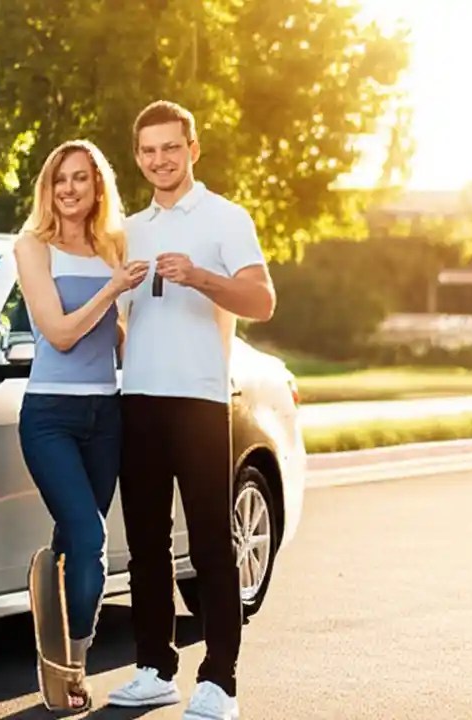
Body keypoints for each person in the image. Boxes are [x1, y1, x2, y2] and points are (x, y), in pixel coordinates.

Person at [105, 101, 276, 720]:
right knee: (146, 545)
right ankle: (154, 667)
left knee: (210, 544)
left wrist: (203, 277)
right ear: (138, 156)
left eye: (170, 148)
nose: (159, 160)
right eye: (148, 151)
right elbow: (121, 324)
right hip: (139, 399)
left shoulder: (227, 219)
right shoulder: (128, 228)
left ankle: (221, 683)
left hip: (202, 400)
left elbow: (262, 300)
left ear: (192, 149)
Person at [13, 139, 148, 710]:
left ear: (98, 189)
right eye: (60, 179)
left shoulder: (110, 247)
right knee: (91, 538)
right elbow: (62, 335)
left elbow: (111, 342)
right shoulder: (32, 246)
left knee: (73, 541)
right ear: (49, 187)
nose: (70, 189)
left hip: (105, 413)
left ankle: (62, 660)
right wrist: (114, 291)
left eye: (82, 180)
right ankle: (73, 666)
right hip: (50, 415)